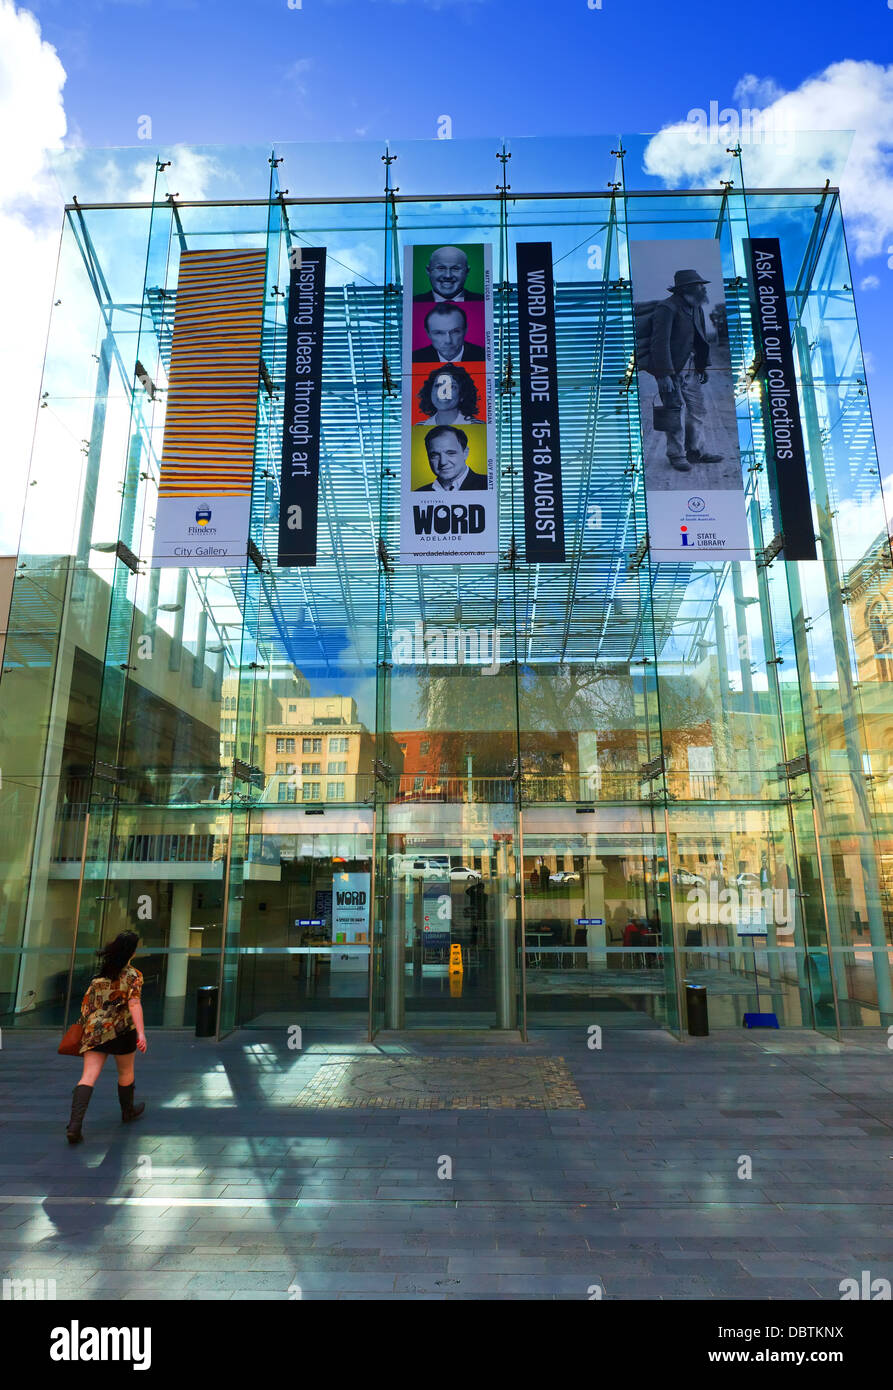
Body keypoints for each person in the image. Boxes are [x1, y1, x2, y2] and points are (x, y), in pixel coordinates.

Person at [65, 929, 147, 1144]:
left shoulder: (99, 977)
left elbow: (86, 1007)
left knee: (88, 1076)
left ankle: (74, 1125)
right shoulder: (133, 975)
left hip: (95, 1030)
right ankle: (127, 1111)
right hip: (122, 1030)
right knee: (126, 1071)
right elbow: (134, 1003)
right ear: (132, 951)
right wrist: (141, 1033)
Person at [646, 268, 723, 472]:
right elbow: (658, 343)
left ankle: (696, 452)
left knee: (697, 411)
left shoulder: (696, 307)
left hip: (692, 368)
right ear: (685, 288)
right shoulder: (667, 308)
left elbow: (701, 338)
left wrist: (703, 365)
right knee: (673, 412)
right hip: (671, 370)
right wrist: (663, 375)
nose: (702, 289)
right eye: (699, 285)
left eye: (702, 285)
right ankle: (676, 455)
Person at [415, 425, 487, 493]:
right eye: (435, 455)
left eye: (450, 453)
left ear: (465, 453)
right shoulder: (418, 493)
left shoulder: (487, 485)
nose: (443, 462)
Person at [412, 305, 485, 363]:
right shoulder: (415, 358)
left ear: (465, 330)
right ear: (428, 333)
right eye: (439, 333)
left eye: (455, 332)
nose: (448, 341)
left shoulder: (484, 356)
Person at [416, 364, 482, 425]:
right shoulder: (419, 426)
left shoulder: (478, 425)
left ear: (462, 395)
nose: (443, 392)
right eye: (438, 385)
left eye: (452, 386)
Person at [414, 246, 483, 302]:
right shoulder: (413, 302)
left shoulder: (483, 301)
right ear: (428, 271)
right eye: (441, 268)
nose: (448, 275)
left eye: (455, 269)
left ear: (467, 271)